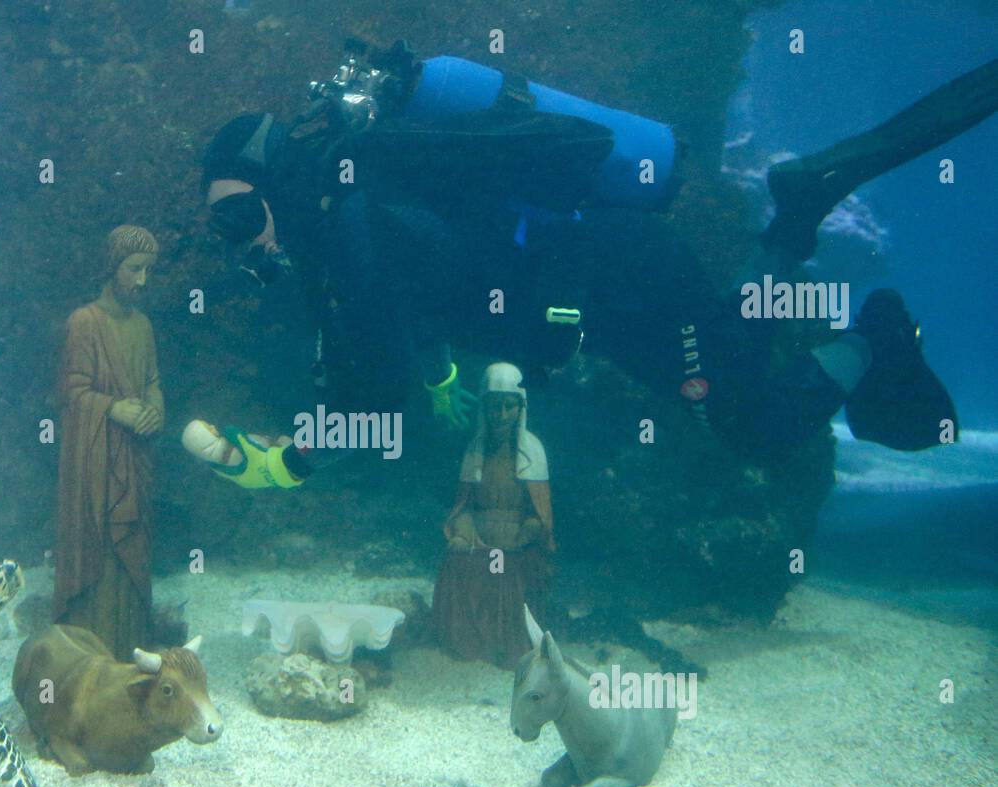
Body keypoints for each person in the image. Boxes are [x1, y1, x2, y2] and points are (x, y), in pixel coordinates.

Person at [196, 43, 993, 487]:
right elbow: (425, 299)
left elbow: (375, 387)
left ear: (277, 189)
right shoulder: (354, 206)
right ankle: (800, 231)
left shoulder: (349, 223)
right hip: (607, 282)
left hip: (618, 279)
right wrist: (444, 378)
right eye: (222, 230)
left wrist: (283, 466)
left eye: (239, 216)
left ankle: (848, 290)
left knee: (751, 422)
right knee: (733, 376)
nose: (243, 242)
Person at [53, 225, 165, 662]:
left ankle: (129, 652)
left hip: (134, 459)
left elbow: (152, 381)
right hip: (95, 465)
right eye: (134, 269)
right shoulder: (84, 322)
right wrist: (112, 409)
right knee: (98, 550)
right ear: (112, 266)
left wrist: (155, 407)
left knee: (133, 548)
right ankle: (84, 662)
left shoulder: (142, 325)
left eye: (148, 270)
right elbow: (70, 392)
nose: (142, 280)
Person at [434, 362, 556, 670]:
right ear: (484, 408)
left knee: (507, 567)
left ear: (520, 408)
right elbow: (464, 505)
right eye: (494, 407)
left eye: (508, 406)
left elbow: (539, 514)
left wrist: (523, 535)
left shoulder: (533, 452)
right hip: (479, 540)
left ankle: (510, 648)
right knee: (456, 559)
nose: (501, 415)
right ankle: (465, 644)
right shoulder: (475, 449)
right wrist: (463, 534)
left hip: (518, 544)